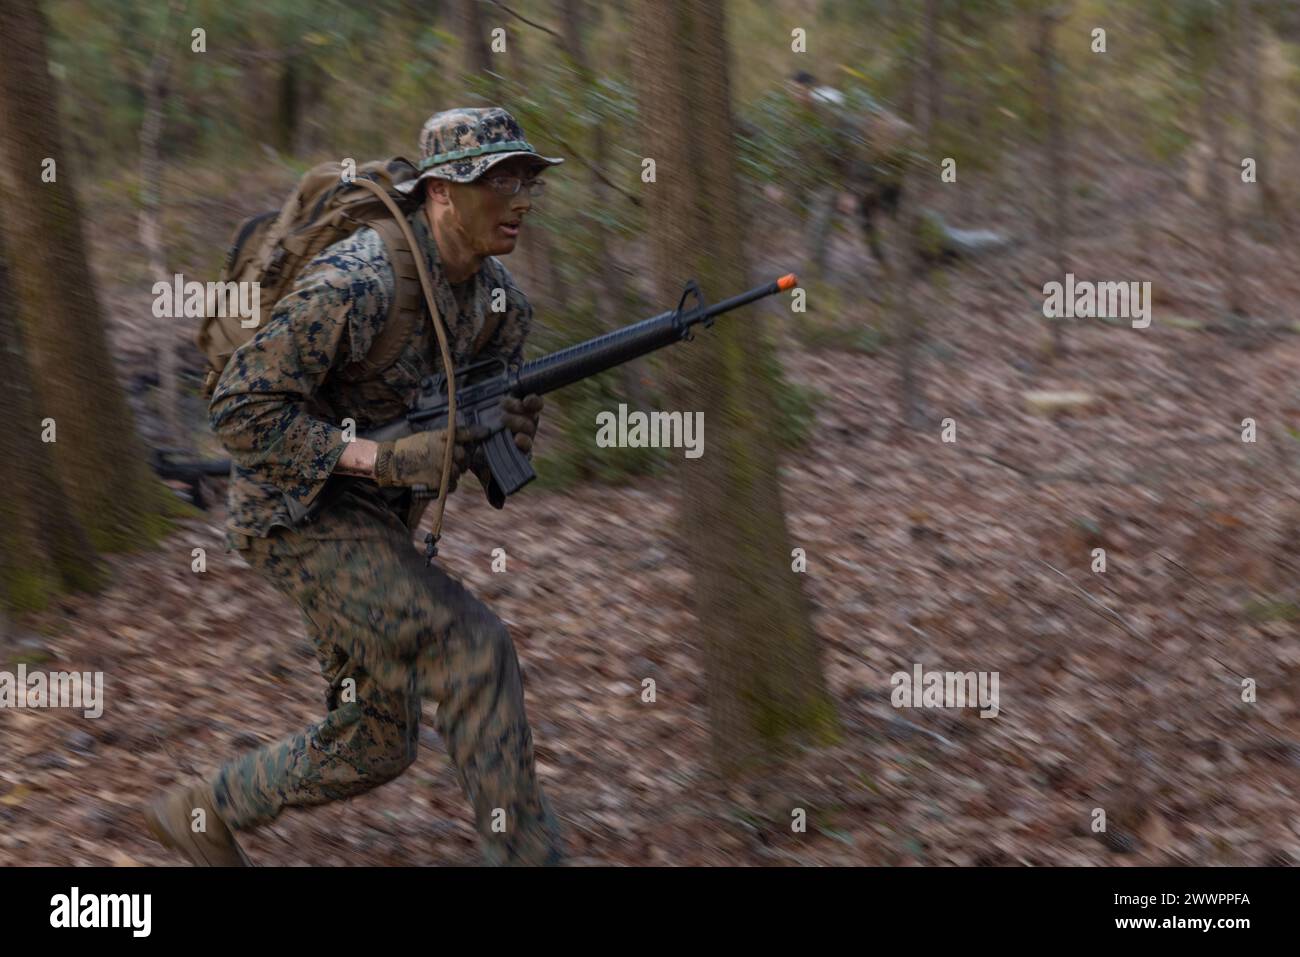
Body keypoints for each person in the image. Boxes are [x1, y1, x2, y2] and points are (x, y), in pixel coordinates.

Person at [143, 107, 566, 867]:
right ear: (440, 192)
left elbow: (455, 434)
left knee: (376, 742)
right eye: (495, 181)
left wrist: (495, 436)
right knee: (472, 649)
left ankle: (204, 809)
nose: (519, 199)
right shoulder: (358, 280)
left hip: (378, 524)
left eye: (526, 179)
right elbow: (239, 411)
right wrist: (380, 459)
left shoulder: (501, 306)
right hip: (295, 512)